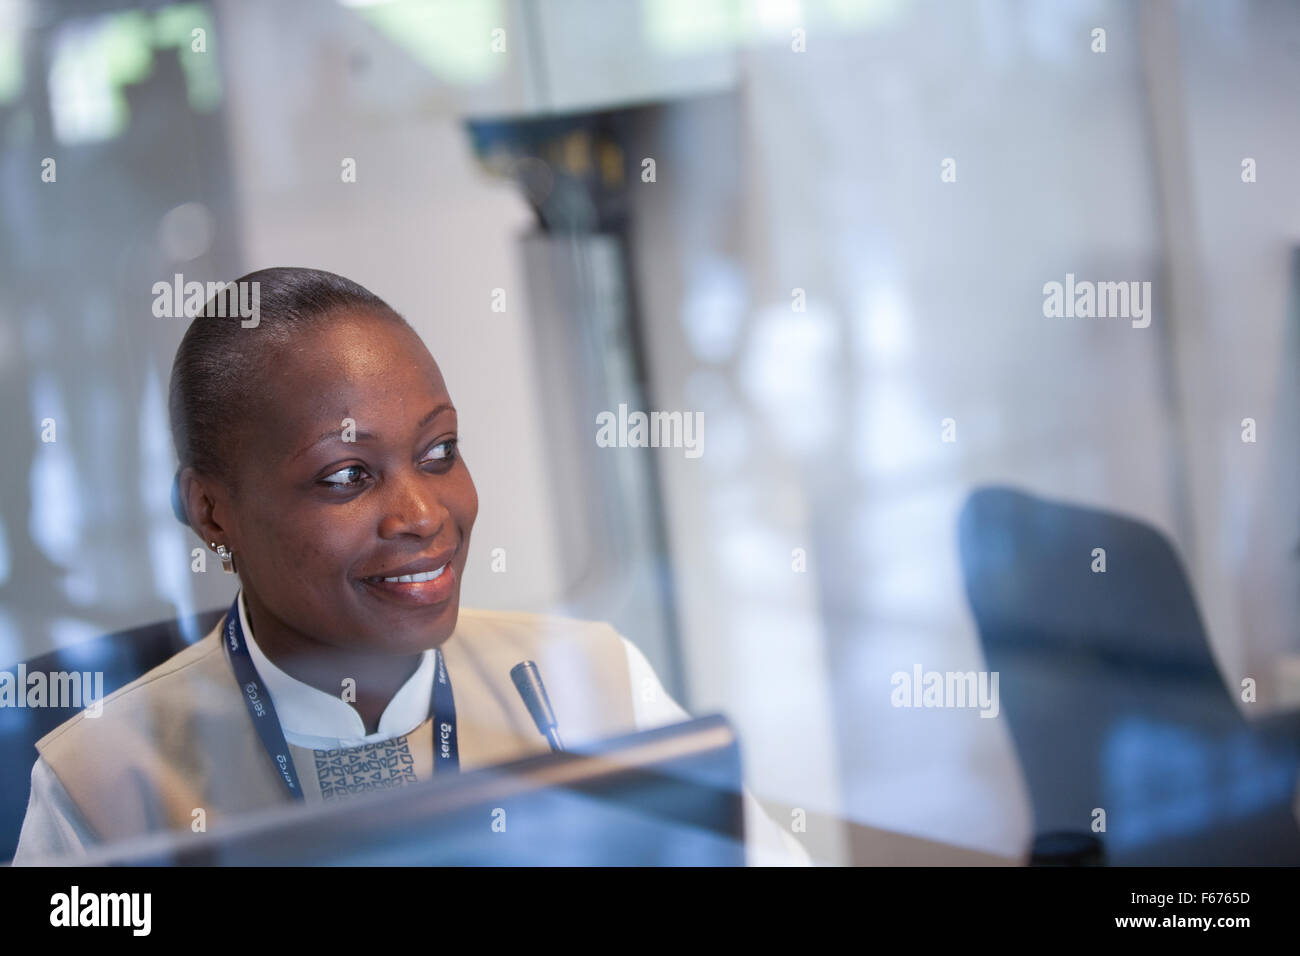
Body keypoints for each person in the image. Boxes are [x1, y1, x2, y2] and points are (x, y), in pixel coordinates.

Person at [13, 267, 809, 866]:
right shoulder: (101, 784)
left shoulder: (589, 684)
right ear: (213, 512)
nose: (422, 515)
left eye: (439, 454)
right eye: (346, 476)